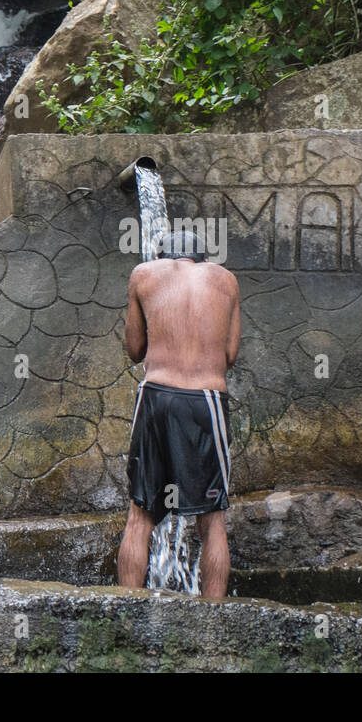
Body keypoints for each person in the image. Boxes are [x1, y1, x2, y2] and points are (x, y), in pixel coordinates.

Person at [117, 228, 241, 597]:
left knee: (139, 515)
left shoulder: (144, 274)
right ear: (203, 259)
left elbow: (135, 348)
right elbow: (229, 356)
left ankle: (127, 610)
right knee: (213, 519)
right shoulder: (227, 280)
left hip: (156, 395)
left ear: (162, 256)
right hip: (204, 399)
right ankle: (214, 621)